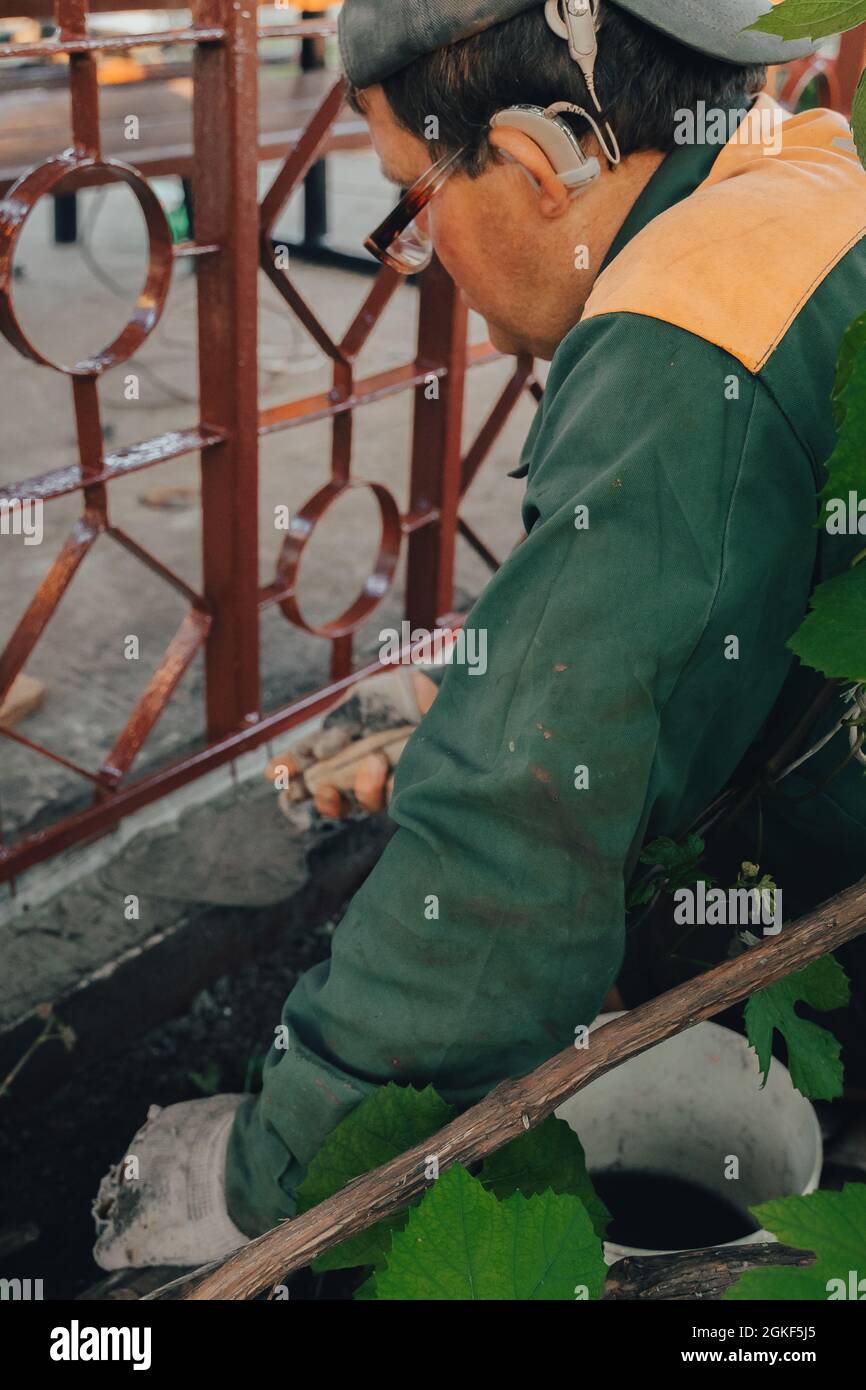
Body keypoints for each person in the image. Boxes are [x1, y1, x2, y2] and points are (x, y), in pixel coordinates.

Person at [93, 0, 866, 1269]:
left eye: (410, 195)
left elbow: (520, 832)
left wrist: (260, 1185)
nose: (420, 245)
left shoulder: (679, 340)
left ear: (532, 162)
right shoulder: (800, 174)